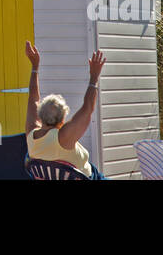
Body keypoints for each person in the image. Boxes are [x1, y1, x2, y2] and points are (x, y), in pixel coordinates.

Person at [24, 41, 106, 179]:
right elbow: (87, 109)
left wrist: (34, 67)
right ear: (62, 121)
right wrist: (94, 77)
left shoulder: (31, 134)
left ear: (40, 116)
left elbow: (33, 98)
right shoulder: (63, 138)